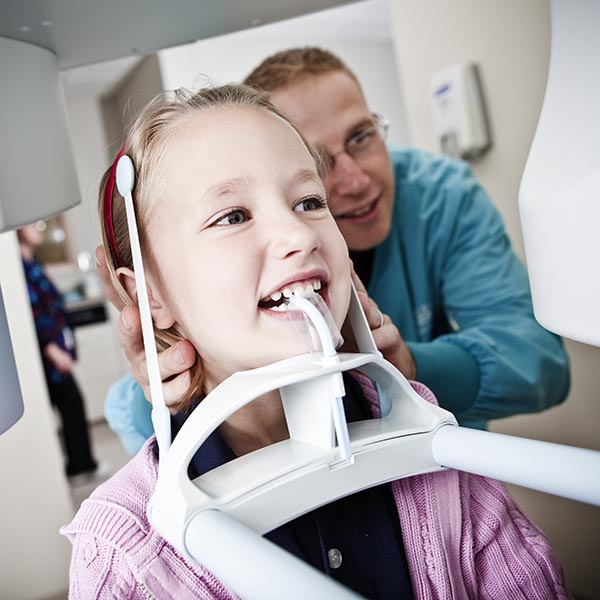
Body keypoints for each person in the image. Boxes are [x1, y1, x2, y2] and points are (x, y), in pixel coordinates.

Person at [61, 83, 568, 599]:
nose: (300, 236)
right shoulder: (126, 559)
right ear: (148, 293)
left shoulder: (427, 441)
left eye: (309, 201)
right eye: (232, 216)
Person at [99, 47, 570, 454]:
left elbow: (539, 362)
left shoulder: (440, 197)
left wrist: (407, 370)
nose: (355, 180)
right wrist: (169, 389)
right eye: (319, 162)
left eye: (362, 137)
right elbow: (130, 415)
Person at [18, 223, 99, 478]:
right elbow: (30, 315)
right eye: (32, 224)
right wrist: (52, 349)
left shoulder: (33, 264)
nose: (39, 227)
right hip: (46, 356)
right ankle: (80, 467)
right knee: (71, 403)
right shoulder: (19, 269)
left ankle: (80, 465)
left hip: (54, 350)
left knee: (71, 405)